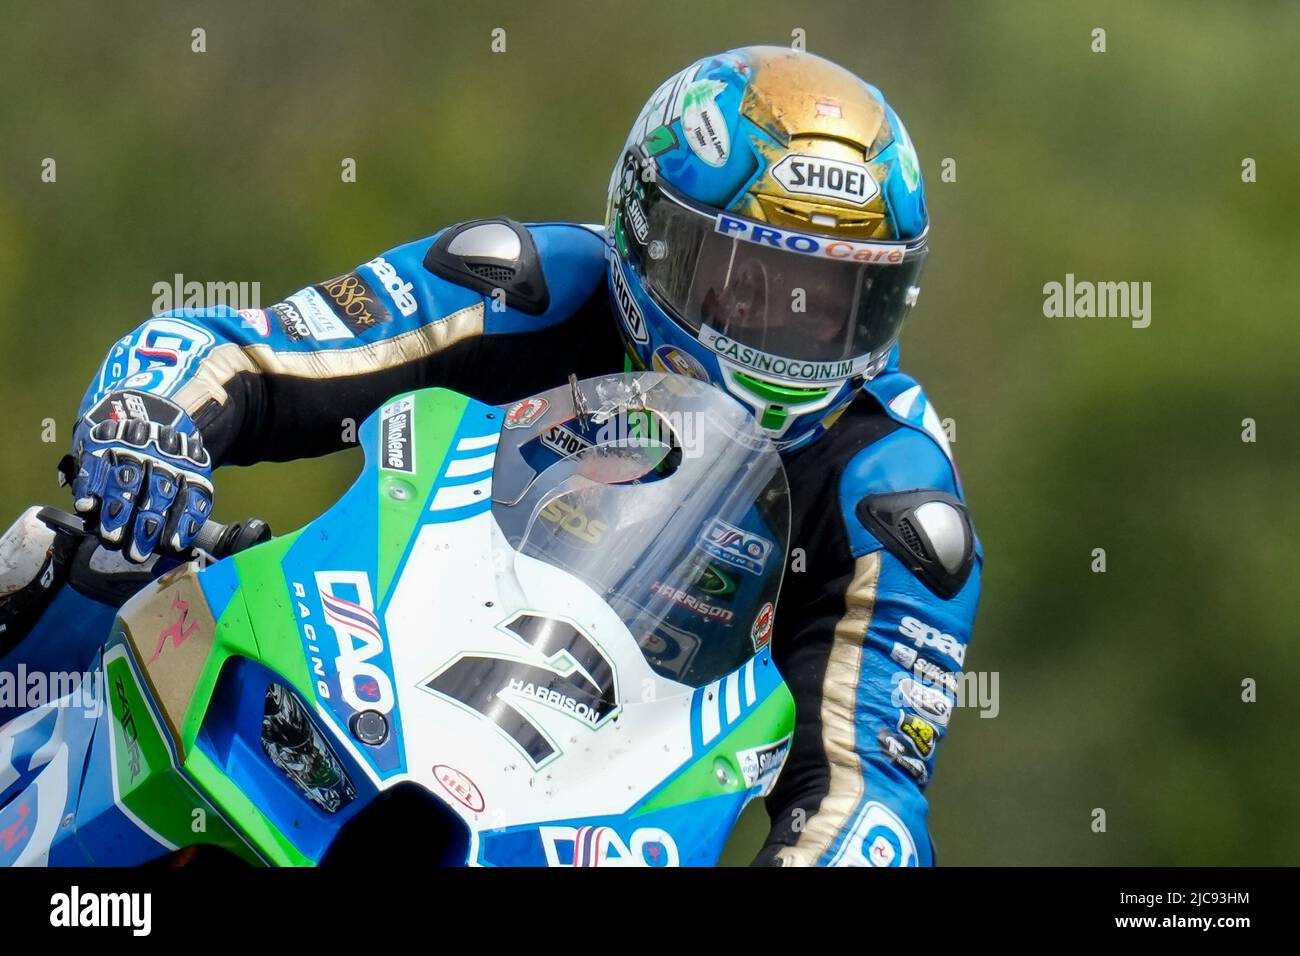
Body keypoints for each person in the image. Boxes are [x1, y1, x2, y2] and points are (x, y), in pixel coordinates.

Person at [65, 46, 982, 866]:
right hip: (366, 672)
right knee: (80, 571)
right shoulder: (524, 282)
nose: (790, 333)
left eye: (831, 299)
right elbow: (256, 351)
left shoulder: (897, 500)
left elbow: (869, 792)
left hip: (599, 817)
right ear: (651, 235)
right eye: (755, 284)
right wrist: (153, 417)